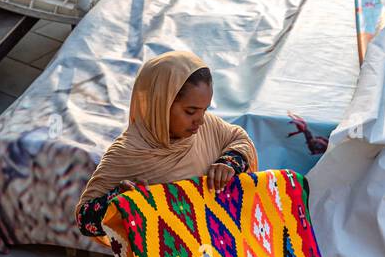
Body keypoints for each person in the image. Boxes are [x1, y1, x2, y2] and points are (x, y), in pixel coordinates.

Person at [74, 50, 258, 238]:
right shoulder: (126, 154)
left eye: (204, 110)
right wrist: (118, 200)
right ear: (160, 104)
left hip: (217, 255)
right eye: (190, 111)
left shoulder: (208, 127)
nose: (200, 120)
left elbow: (240, 140)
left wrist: (229, 164)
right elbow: (84, 221)